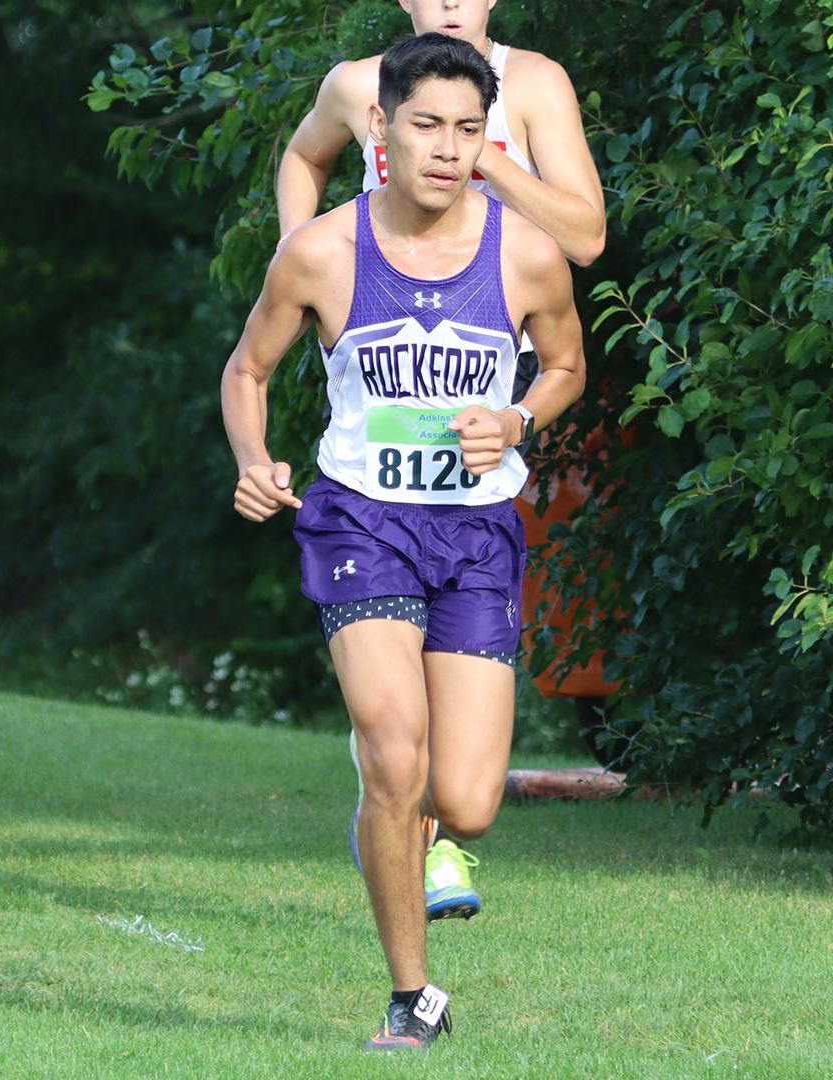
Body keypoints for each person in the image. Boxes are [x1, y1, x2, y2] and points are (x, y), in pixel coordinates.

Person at [225, 33, 585, 1050]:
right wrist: (254, 458)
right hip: (361, 523)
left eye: (468, 130)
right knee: (394, 756)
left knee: (463, 802)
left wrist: (516, 420)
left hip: (474, 534)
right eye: (425, 124)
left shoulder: (525, 252)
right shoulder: (324, 253)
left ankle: (399, 825)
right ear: (378, 127)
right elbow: (246, 371)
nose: (446, 148)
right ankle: (412, 998)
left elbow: (563, 368)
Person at [278, 0, 605, 922]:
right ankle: (404, 815)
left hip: (487, 362)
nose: (452, 1)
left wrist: (484, 155)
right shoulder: (355, 84)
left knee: (465, 770)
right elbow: (303, 160)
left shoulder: (534, 84)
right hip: (382, 347)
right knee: (393, 727)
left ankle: (433, 823)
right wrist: (297, 250)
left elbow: (583, 238)